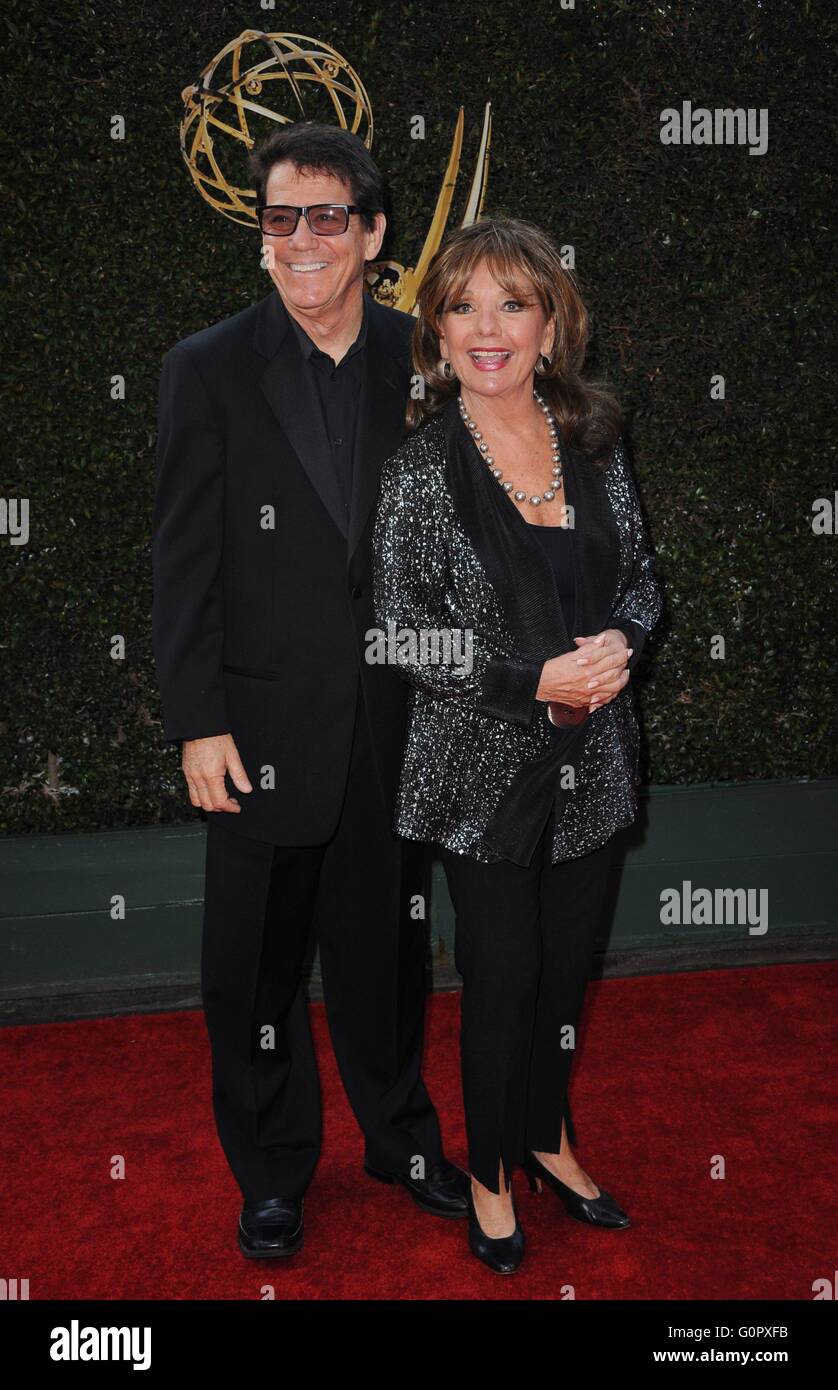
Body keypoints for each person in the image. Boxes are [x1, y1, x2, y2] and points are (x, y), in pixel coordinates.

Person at [152, 123, 468, 1261]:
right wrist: (197, 718)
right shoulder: (207, 368)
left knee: (387, 954)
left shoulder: (427, 360)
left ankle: (400, 1138)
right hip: (259, 727)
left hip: (395, 720)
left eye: (326, 216)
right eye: (279, 218)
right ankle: (274, 1170)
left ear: (373, 234)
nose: (301, 240)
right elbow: (183, 563)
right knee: (257, 967)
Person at [372, 216, 662, 1273]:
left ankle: (547, 1135)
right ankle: (490, 1173)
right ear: (437, 333)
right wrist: (529, 680)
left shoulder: (593, 437)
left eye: (511, 303)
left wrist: (622, 642)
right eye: (461, 306)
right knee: (501, 978)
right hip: (480, 775)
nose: (485, 327)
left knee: (564, 975)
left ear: (550, 322)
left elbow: (638, 577)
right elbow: (397, 628)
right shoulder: (418, 472)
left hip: (595, 760)